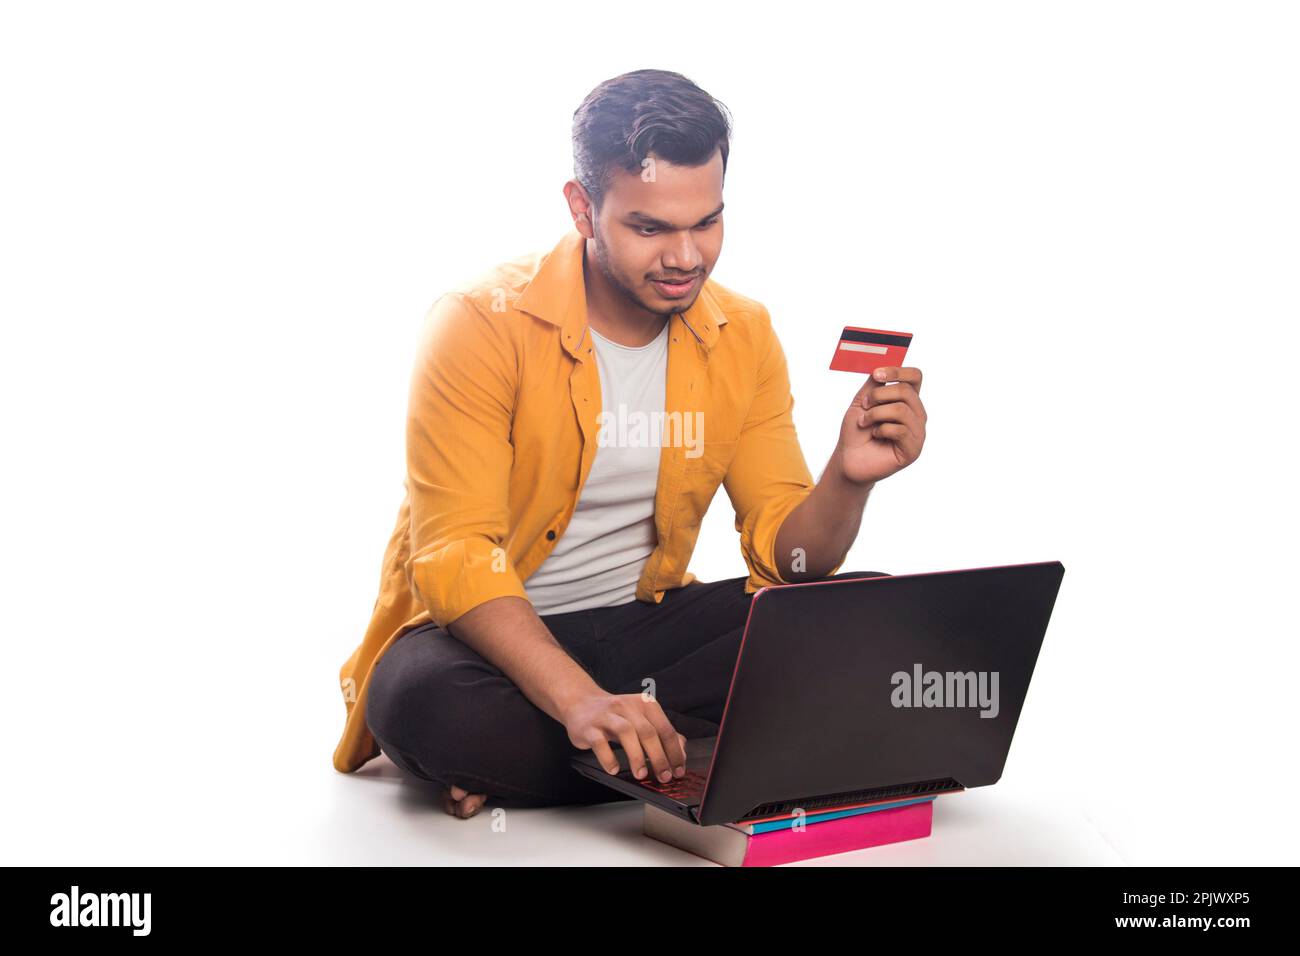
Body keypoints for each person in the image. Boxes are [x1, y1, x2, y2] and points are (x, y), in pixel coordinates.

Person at [333, 69, 928, 819]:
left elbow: (791, 563)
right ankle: (681, 746)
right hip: (490, 643)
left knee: (865, 614)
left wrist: (849, 478)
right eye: (649, 228)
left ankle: (565, 762)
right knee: (421, 701)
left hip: (645, 627)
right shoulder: (480, 322)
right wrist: (577, 700)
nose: (685, 258)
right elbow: (453, 555)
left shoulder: (741, 333)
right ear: (583, 208)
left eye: (705, 222)